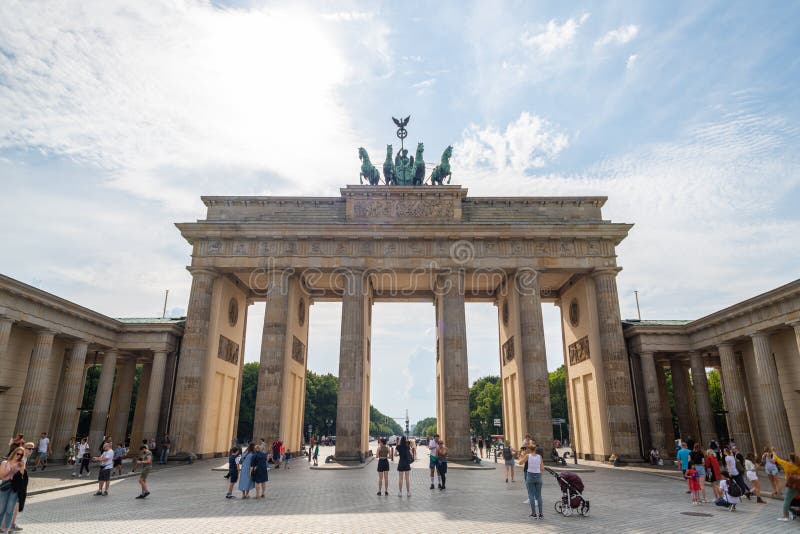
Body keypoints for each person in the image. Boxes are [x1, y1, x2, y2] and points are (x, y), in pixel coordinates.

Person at [8, 442, 33, 533]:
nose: (31, 450)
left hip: (20, 485)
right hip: (15, 485)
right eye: (29, 448)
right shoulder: (20, 458)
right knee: (15, 505)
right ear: (24, 448)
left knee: (16, 505)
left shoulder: (25, 458)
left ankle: (12, 524)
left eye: (32, 449)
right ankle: (10, 525)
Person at [771, 448, 800, 521]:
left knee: (787, 500)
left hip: (792, 486)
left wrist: (773, 451)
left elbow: (776, 459)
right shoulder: (799, 464)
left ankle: (785, 516)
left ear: (790, 459)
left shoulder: (787, 464)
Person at [0, 447, 25, 534]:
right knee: (1, 509)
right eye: (17, 453)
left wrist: (22, 468)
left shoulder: (20, 464)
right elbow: (1, 476)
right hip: (4, 487)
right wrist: (11, 470)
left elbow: (22, 478)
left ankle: (7, 529)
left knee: (10, 510)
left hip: (14, 489)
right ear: (14, 453)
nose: (18, 456)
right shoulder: (5, 463)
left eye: (21, 455)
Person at [518, 445, 543, 519]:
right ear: (535, 449)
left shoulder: (527, 456)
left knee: (531, 495)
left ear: (529, 449)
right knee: (539, 495)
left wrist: (522, 455)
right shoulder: (539, 456)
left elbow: (520, 463)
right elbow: (542, 468)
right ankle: (541, 514)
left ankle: (534, 514)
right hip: (538, 476)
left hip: (530, 476)